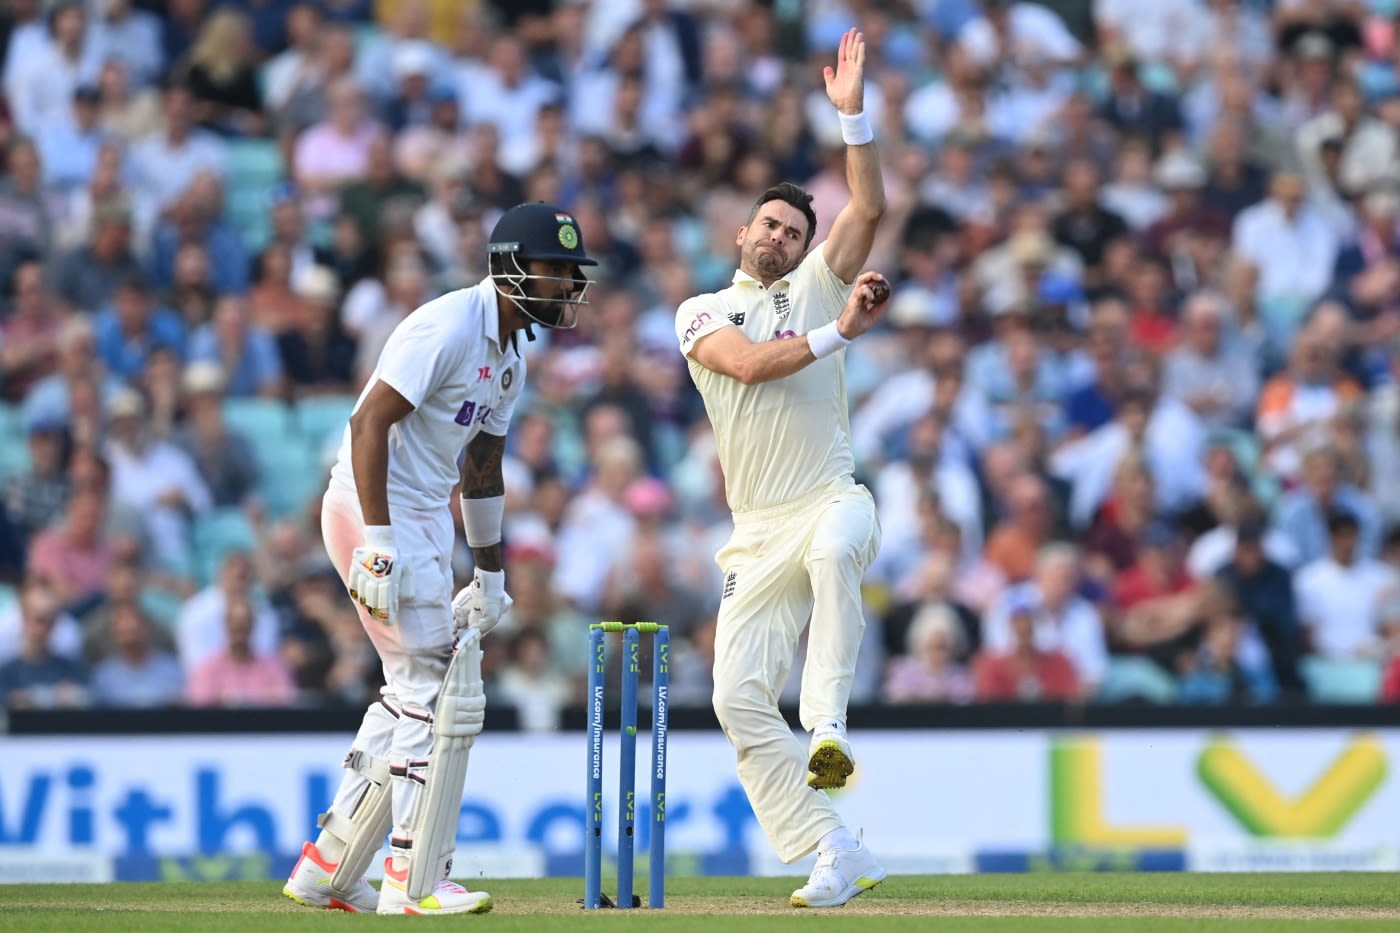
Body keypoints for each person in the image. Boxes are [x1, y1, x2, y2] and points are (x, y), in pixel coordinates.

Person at [282, 202, 596, 915]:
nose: (570, 286)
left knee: (409, 683)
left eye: (574, 274)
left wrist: (490, 573)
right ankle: (412, 878)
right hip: (371, 509)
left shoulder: (511, 357)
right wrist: (381, 543)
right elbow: (368, 422)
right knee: (432, 680)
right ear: (512, 266)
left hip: (421, 519)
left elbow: (481, 471)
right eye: (558, 270)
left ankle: (327, 865)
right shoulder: (447, 324)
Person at [674, 28, 890, 909]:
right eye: (769, 224)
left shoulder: (813, 285)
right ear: (743, 231)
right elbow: (753, 366)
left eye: (794, 231)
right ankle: (832, 846)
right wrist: (847, 333)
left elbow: (867, 212)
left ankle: (829, 726)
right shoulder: (701, 311)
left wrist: (854, 118)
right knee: (733, 698)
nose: (780, 237)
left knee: (840, 547)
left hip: (831, 496)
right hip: (755, 529)